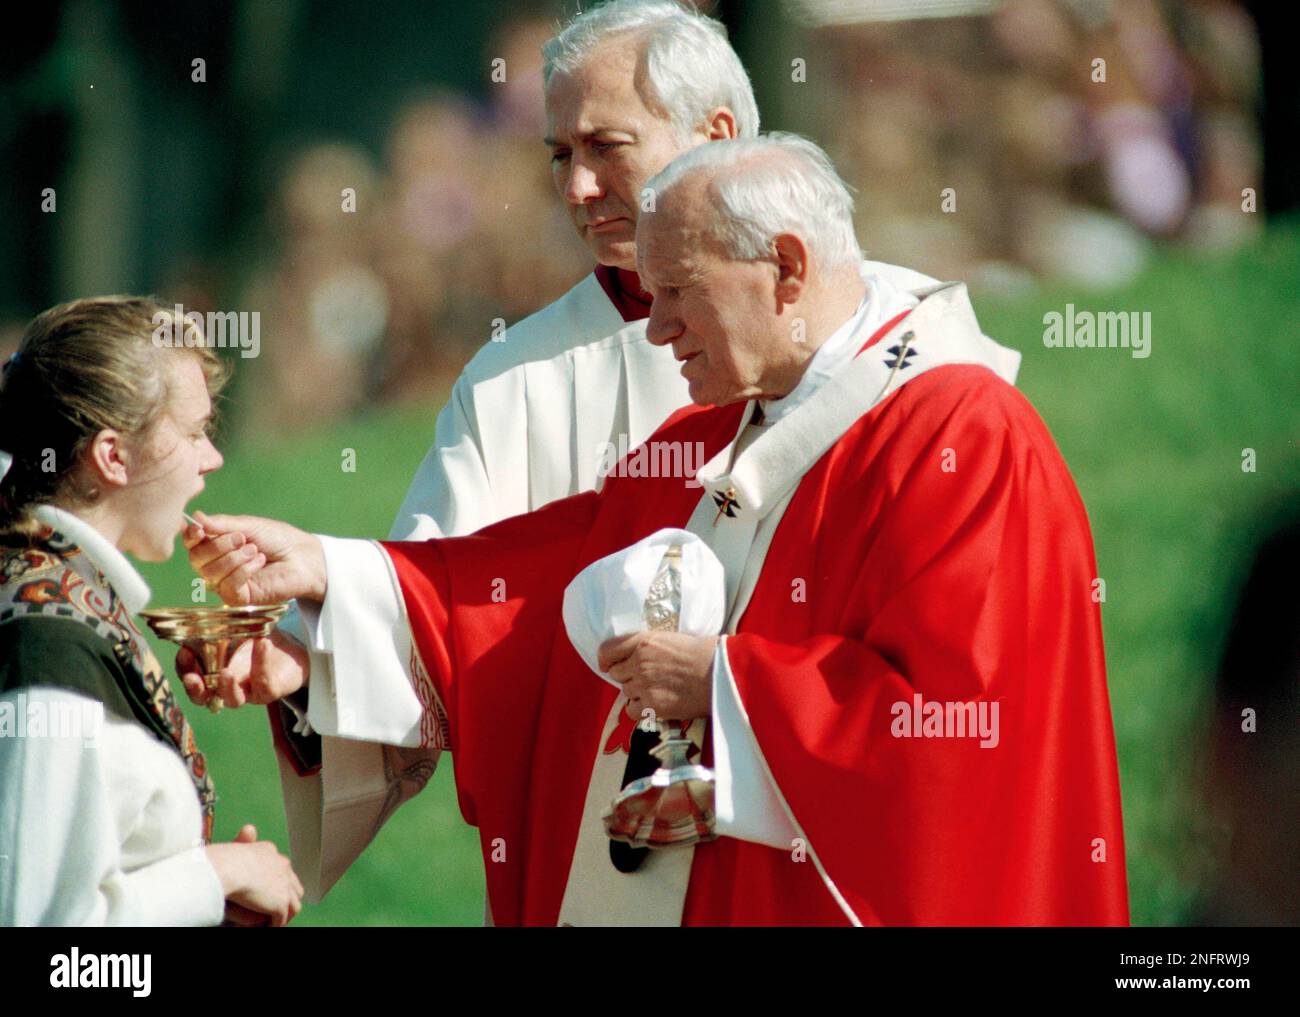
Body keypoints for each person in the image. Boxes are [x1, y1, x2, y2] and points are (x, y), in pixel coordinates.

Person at [184, 134, 1129, 926]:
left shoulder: (960, 434)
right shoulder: (719, 434)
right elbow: (533, 595)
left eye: (678, 290)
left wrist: (719, 683)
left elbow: (966, 734)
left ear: (787, 270)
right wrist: (330, 581)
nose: (659, 327)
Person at [187, 0, 950, 903]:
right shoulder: (518, 380)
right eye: (559, 156)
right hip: (606, 877)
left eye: (607, 147)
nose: (578, 187)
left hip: (820, 873)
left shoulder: (905, 358)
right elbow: (459, 610)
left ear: (716, 133)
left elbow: (951, 690)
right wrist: (310, 666)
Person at [0, 297, 303, 926]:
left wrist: (203, 899)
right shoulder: (47, 648)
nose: (211, 458)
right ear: (113, 456)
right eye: (193, 433)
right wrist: (218, 873)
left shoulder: (59, 596)